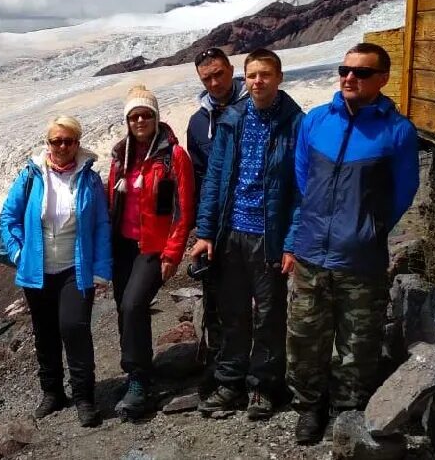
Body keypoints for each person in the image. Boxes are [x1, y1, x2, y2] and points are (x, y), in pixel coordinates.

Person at [286, 43, 419, 444]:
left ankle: (347, 409)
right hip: (311, 252)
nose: (349, 78)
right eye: (345, 70)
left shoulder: (397, 131)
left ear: (382, 79)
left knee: (358, 341)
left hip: (360, 258)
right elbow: (303, 179)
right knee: (305, 336)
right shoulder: (315, 121)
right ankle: (309, 406)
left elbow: (404, 191)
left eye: (361, 72)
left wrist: (367, 229)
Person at [190, 48, 304, 421]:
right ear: (246, 77)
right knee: (233, 312)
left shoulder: (295, 123)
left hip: (268, 236)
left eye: (265, 74)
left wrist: (291, 242)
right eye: (252, 75)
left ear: (279, 77)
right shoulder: (233, 120)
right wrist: (206, 232)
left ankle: (264, 386)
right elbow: (214, 180)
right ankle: (230, 382)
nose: (258, 81)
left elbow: (301, 190)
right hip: (231, 234)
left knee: (269, 314)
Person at [0, 115, 112, 428]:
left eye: (68, 141)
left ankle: (84, 397)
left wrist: (101, 269)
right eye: (56, 141)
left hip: (75, 268)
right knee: (44, 332)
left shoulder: (88, 179)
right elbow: (9, 217)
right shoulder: (32, 176)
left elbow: (101, 225)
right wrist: (18, 252)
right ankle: (52, 393)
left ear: (77, 143)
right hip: (38, 271)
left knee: (74, 328)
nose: (62, 147)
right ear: (47, 143)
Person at [107, 84, 194, 420]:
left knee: (133, 305)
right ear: (127, 121)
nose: (140, 120)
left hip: (153, 248)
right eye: (134, 116)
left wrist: (172, 253)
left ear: (156, 117)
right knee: (126, 309)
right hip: (123, 246)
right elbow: (113, 201)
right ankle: (137, 371)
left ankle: (139, 380)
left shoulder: (173, 156)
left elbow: (183, 209)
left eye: (146, 115)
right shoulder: (121, 156)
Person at [185, 47, 249, 396]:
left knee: (261, 298)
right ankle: (223, 366)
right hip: (220, 226)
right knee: (219, 298)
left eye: (219, 74)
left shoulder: (256, 105)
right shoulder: (198, 123)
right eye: (206, 78)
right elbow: (200, 177)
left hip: (255, 219)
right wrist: (203, 227)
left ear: (231, 69)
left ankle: (260, 371)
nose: (214, 83)